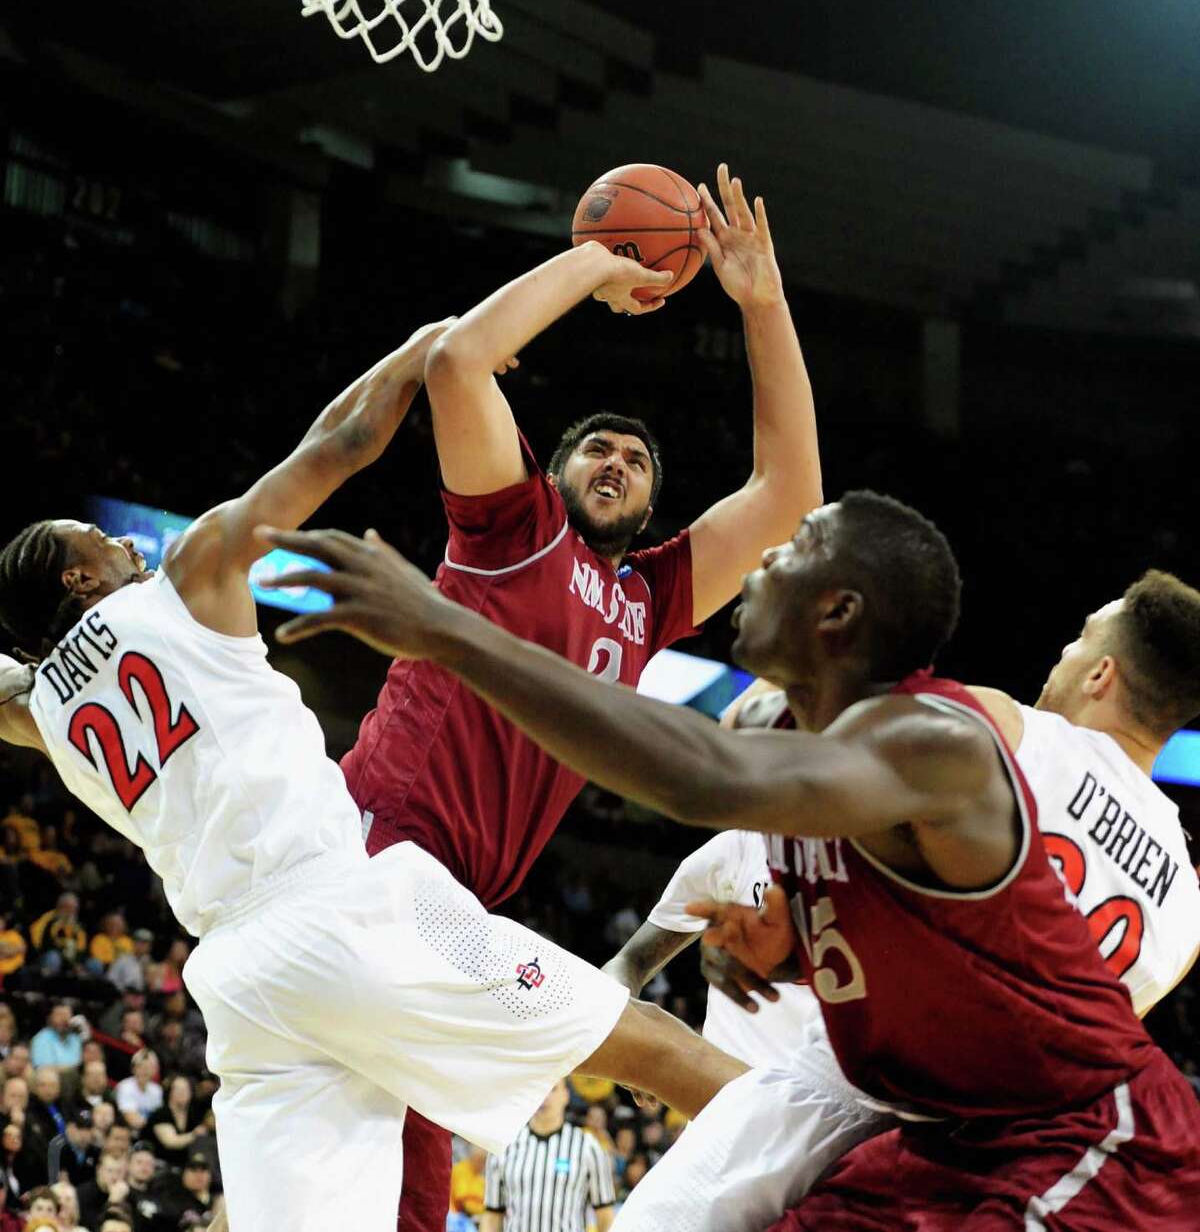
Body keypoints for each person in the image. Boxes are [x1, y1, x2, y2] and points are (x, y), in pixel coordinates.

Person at [261, 498, 1200, 1229]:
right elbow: (997, 983)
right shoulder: (1184, 904)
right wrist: (810, 941)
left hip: (1031, 1146)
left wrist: (449, 629)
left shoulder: (972, 732)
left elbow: (706, 775)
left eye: (790, 554)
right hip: (938, 1133)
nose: (761, 563)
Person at [0, 319, 745, 1231]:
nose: (123, 545)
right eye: (96, 540)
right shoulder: (185, 579)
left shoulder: (37, 713)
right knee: (656, 1048)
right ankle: (863, 1188)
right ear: (79, 578)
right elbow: (344, 438)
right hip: (348, 903)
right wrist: (432, 345)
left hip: (238, 985)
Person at [339, 165, 820, 1231]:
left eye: (638, 457)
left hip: (453, 889)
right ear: (549, 469)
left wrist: (763, 303)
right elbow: (459, 357)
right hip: (380, 850)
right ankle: (875, 1194)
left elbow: (790, 498)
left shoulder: (649, 596)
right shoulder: (512, 527)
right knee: (670, 1058)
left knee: (403, 1188)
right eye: (596, 446)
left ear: (654, 499)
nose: (617, 460)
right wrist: (603, 263)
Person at [603, 626, 1200, 1231]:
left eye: (1077, 639)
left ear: (1100, 673)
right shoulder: (1185, 908)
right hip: (949, 1167)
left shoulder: (1009, 730)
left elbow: (776, 748)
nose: (1060, 652)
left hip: (838, 1090)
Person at [481, 1081, 615, 1232]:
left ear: (566, 1095)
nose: (544, 1097)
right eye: (538, 1089)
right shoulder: (504, 1146)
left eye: (552, 1089)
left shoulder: (588, 1147)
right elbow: (492, 1216)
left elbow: (605, 1217)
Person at [29, 893, 86, 974]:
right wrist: (69, 962)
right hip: (45, 957)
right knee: (53, 957)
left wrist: (77, 963)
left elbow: (81, 947)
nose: (70, 911)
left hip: (70, 961)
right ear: (60, 906)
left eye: (73, 908)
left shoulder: (77, 925)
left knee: (93, 964)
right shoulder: (48, 919)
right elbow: (43, 944)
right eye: (67, 907)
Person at [113, 1051, 161, 1134]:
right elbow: (132, 1121)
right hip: (127, 1132)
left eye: (148, 1067)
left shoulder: (157, 1090)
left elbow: (159, 1118)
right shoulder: (125, 1087)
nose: (144, 1071)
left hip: (148, 1132)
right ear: (133, 1069)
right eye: (140, 1067)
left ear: (154, 1070)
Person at [30, 1005, 85, 1074]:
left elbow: (80, 1065)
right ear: (50, 1018)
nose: (64, 1019)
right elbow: (43, 1069)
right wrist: (71, 1068)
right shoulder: (41, 1038)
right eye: (59, 1015)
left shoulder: (75, 1039)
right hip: (50, 1080)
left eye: (67, 1015)